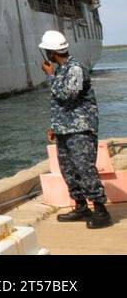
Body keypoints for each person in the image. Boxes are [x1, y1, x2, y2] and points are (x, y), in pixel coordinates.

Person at [40, 30, 111, 229]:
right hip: (65, 129)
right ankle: (81, 206)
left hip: (80, 129)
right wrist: (55, 126)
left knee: (85, 169)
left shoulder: (75, 69)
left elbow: (67, 95)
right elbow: (60, 104)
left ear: (52, 52)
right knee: (69, 170)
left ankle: (101, 211)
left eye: (47, 50)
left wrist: (50, 76)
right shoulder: (62, 70)